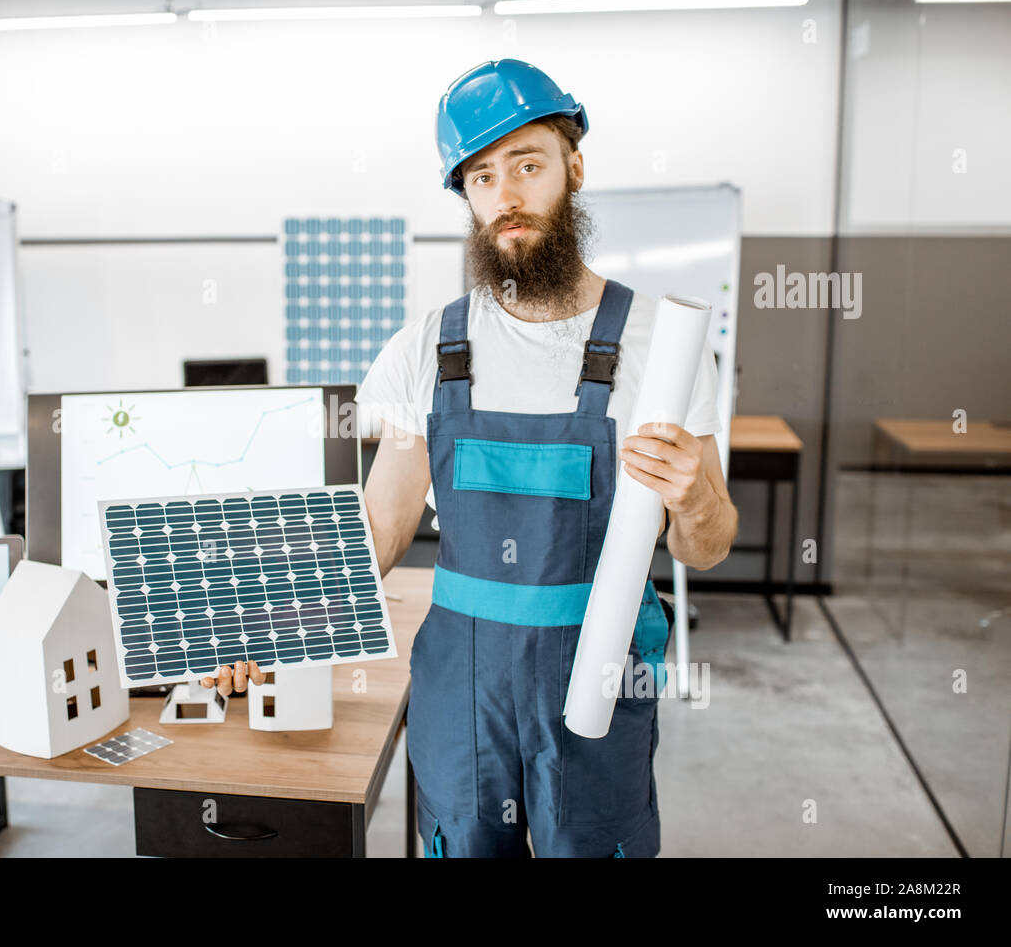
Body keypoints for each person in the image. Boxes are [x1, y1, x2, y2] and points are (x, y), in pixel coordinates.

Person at [203, 58, 737, 858]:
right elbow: (382, 527)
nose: (507, 196)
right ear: (466, 195)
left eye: (527, 164)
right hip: (462, 685)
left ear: (574, 166)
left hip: (595, 672)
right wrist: (276, 624)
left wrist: (694, 499)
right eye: (482, 177)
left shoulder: (662, 346)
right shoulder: (428, 347)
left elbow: (709, 544)